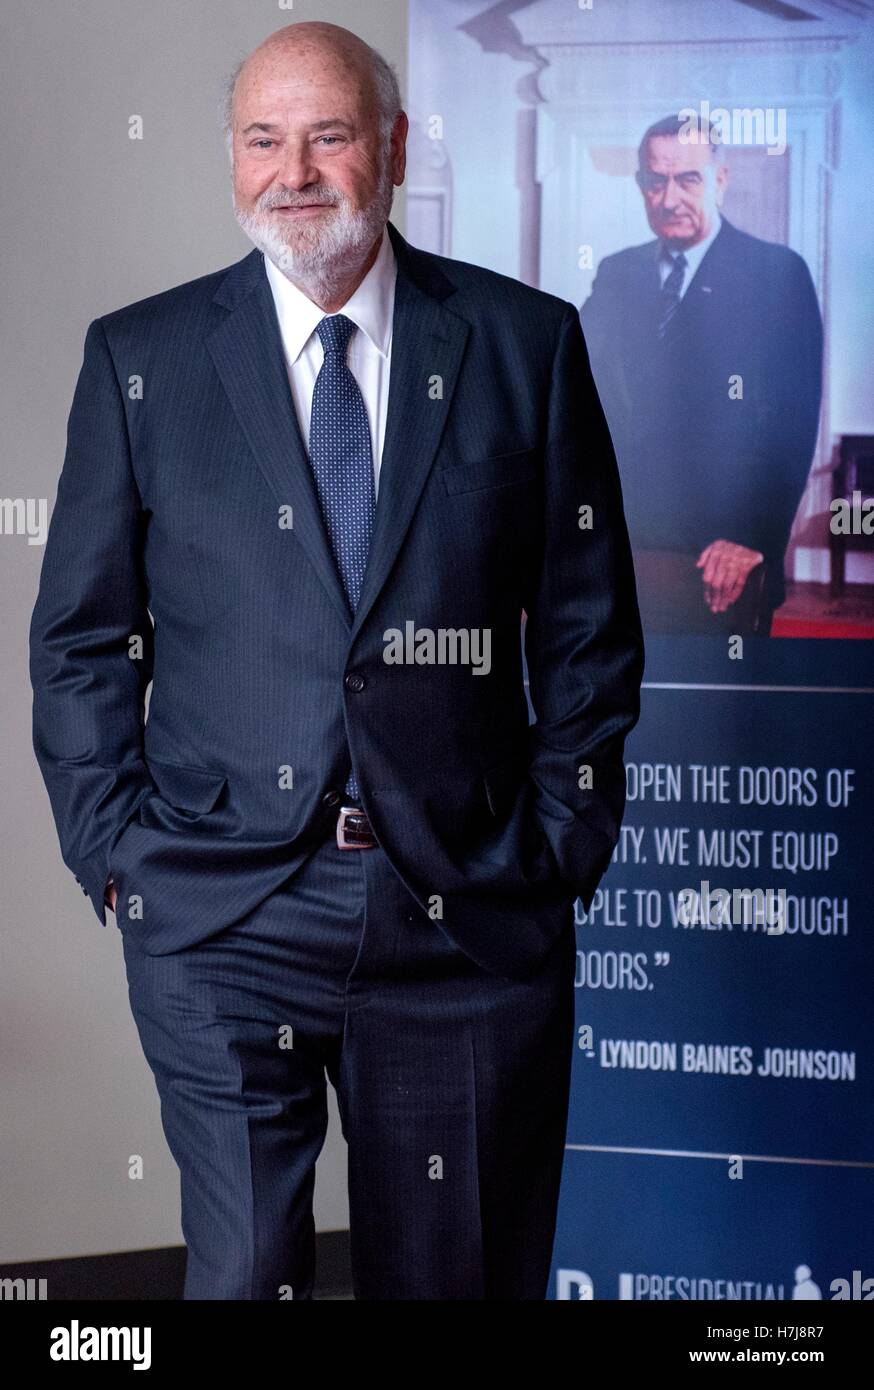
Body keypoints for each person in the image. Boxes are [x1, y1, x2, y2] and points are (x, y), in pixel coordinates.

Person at [29, 21, 643, 1300]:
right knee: (245, 1275)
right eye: (263, 137)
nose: (293, 170)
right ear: (231, 156)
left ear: (394, 146)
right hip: (220, 908)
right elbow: (83, 638)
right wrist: (114, 853)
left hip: (463, 912)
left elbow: (589, 628)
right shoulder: (139, 361)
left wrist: (555, 847)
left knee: (456, 1278)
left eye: (328, 134)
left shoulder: (525, 345)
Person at [581, 113, 823, 634]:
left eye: (687, 179)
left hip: (723, 555)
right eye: (655, 181)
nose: (669, 199)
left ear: (720, 179)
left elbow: (792, 426)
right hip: (624, 548)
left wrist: (753, 538)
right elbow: (578, 390)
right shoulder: (617, 272)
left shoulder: (778, 274)